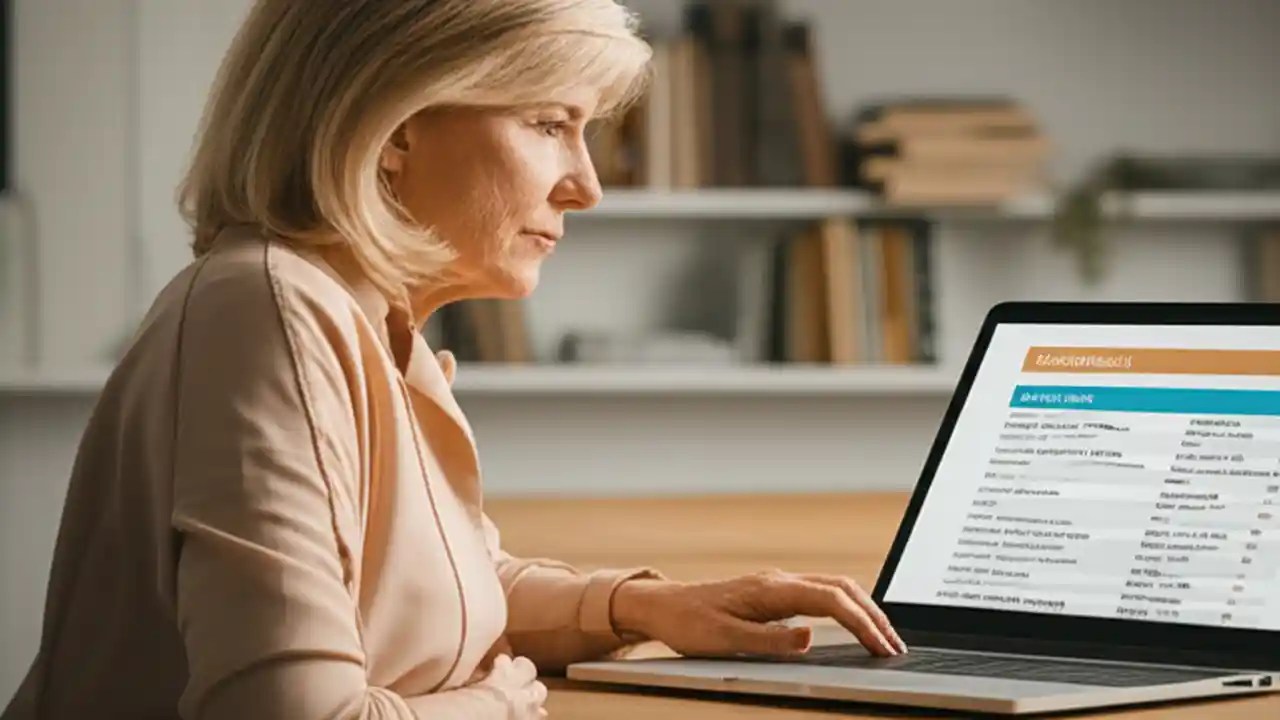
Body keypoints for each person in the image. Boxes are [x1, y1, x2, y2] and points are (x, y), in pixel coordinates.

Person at [2, 1, 906, 718]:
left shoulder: (364, 321)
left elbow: (439, 589)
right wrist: (495, 703)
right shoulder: (270, 311)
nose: (586, 186)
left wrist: (646, 605)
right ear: (394, 126)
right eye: (549, 124)